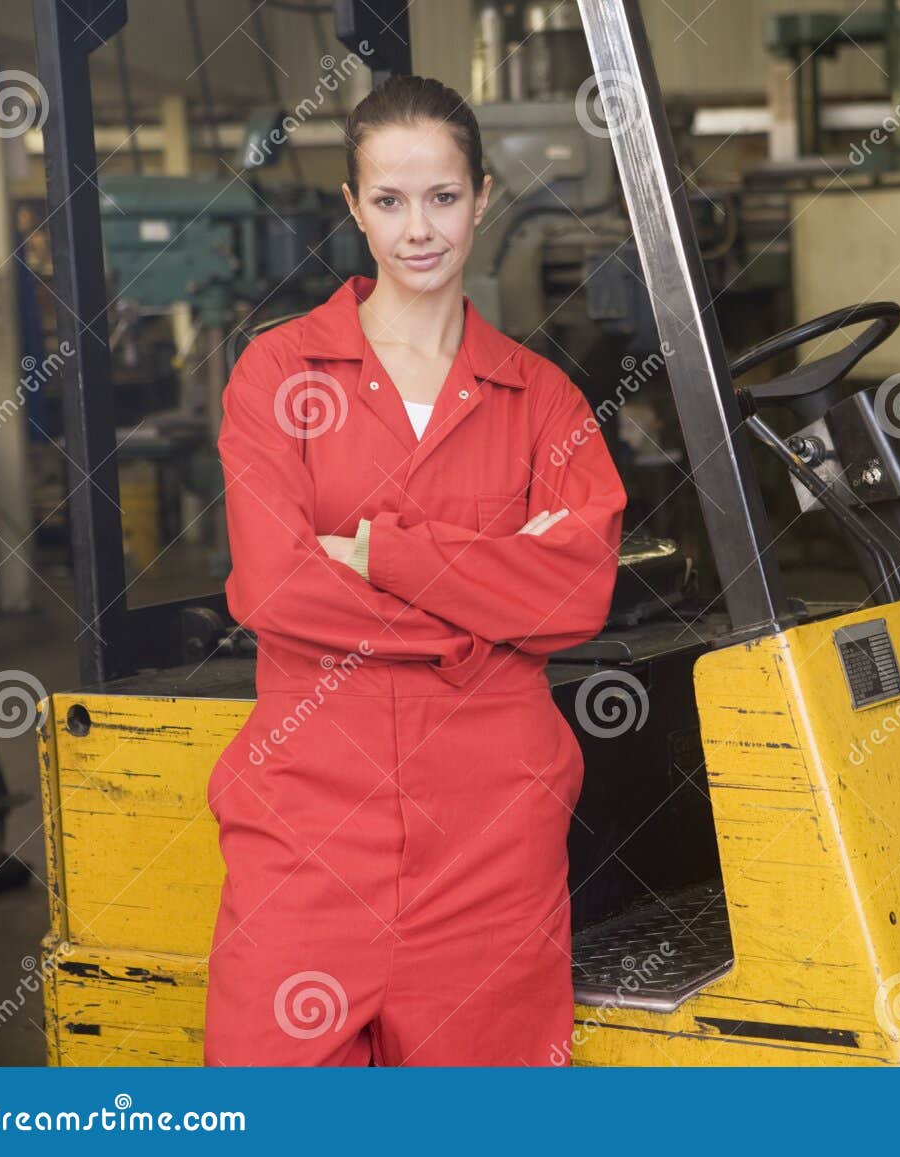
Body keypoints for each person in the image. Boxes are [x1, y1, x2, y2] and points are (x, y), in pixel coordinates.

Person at [203, 74, 627, 1066]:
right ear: (353, 207)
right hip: (310, 828)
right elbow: (274, 586)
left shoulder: (543, 400)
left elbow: (577, 593)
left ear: (481, 196)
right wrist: (488, 605)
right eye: (388, 201)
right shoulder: (281, 376)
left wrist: (382, 553)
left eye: (441, 197)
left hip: (492, 839)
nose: (418, 229)